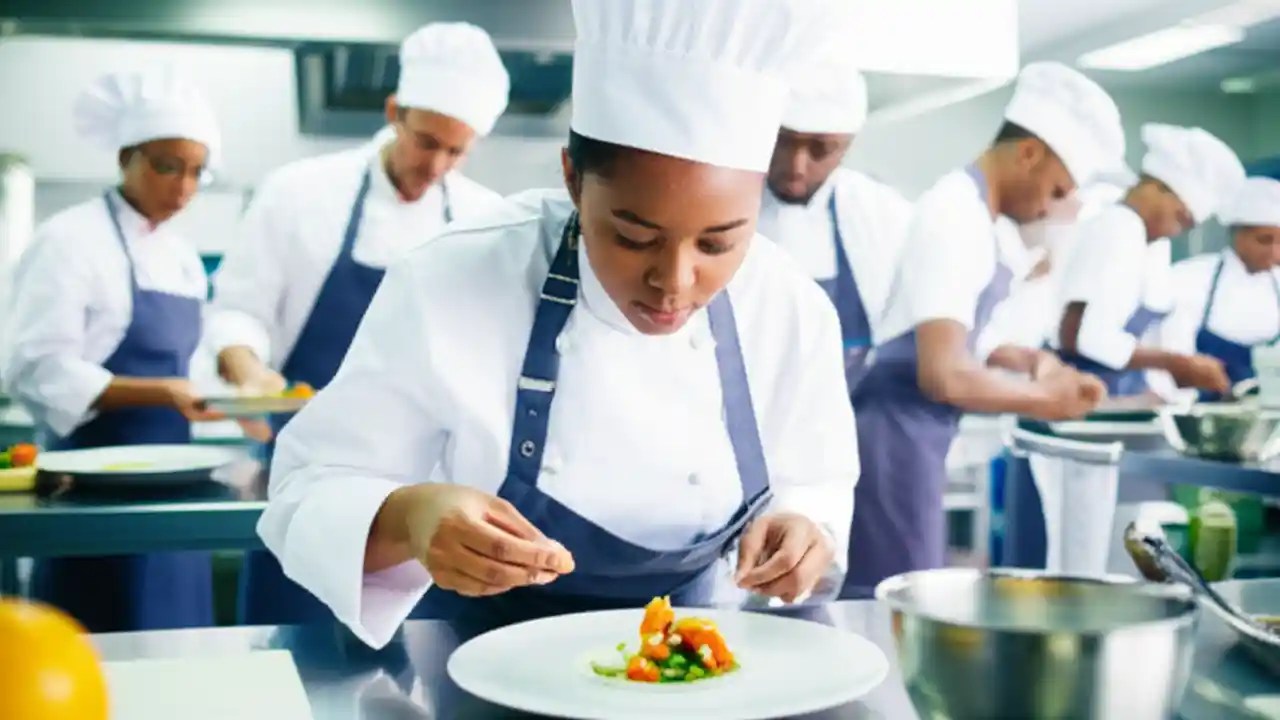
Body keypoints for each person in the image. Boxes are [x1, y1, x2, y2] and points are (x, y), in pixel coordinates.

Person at [261, 0, 857, 649]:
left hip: (699, 664)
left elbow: (817, 477)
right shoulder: (452, 279)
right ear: (573, 180)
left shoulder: (788, 303)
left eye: (719, 245)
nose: (675, 283)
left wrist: (808, 526)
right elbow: (306, 492)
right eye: (633, 236)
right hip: (482, 666)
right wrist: (412, 516)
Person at [206, 22, 511, 625]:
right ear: (395, 111)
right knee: (293, 660)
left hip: (431, 496)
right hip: (306, 474)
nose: (437, 166)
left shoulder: (487, 218)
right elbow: (239, 308)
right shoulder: (298, 194)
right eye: (427, 142)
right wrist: (245, 364)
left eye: (458, 151)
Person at [845, 62, 1125, 594]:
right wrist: (1046, 401)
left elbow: (974, 341)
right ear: (1028, 153)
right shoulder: (955, 213)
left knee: (909, 590)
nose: (1050, 206)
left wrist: (1034, 363)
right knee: (895, 601)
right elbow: (943, 373)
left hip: (914, 435)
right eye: (1056, 188)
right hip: (893, 435)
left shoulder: (977, 217)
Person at [1, 68, 224, 632]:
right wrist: (160, 392)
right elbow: (35, 367)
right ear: (126, 157)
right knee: (100, 639)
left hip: (178, 483)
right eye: (167, 166)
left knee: (179, 645)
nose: (183, 188)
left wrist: (228, 397)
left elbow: (190, 365)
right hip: (90, 483)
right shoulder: (69, 240)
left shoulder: (183, 258)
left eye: (197, 172)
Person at [757, 40, 911, 389]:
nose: (796, 166)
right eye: (782, 141)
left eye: (820, 150)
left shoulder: (883, 214)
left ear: (847, 145)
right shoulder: (723, 205)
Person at [1053, 124, 1246, 398]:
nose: (1173, 232)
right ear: (1157, 187)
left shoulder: (1145, 240)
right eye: (1180, 218)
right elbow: (1079, 336)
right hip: (1080, 394)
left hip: (1110, 396)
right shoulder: (1118, 227)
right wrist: (1175, 364)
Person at [1147, 176, 1280, 401]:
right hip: (1200, 413)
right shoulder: (1189, 279)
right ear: (1236, 234)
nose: (1275, 253)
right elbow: (1167, 364)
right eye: (1264, 240)